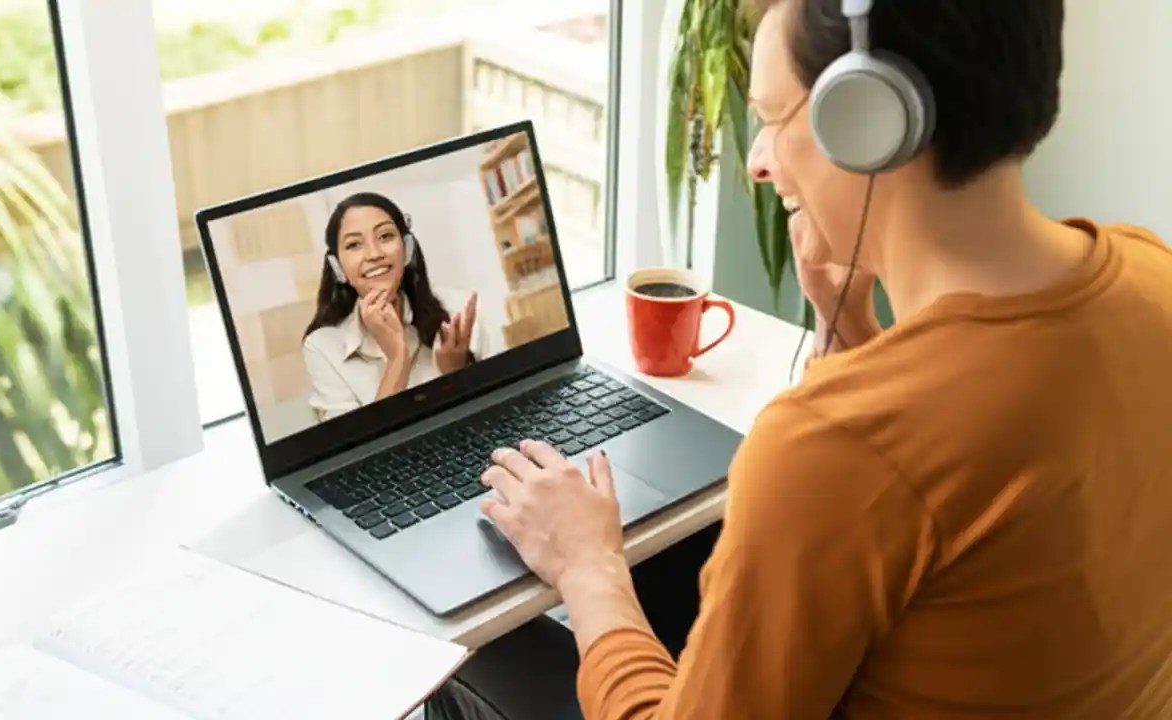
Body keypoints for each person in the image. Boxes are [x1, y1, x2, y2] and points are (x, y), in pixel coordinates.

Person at [426, 0, 1172, 718]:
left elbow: (880, 458)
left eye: (772, 120)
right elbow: (936, 474)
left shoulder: (830, 447)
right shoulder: (1150, 280)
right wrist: (844, 316)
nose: (757, 163)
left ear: (869, 122)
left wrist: (588, 567)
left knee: (480, 650)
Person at [302, 192, 492, 421]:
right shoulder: (323, 348)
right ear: (337, 267)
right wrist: (397, 359)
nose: (374, 254)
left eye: (385, 236)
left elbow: (492, 414)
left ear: (407, 249)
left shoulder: (458, 311)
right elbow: (361, 450)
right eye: (354, 244)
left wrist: (456, 372)